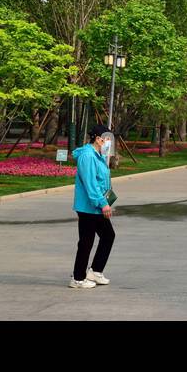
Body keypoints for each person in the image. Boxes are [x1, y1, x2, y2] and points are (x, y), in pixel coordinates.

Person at [71, 124, 115, 289]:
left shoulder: (99, 154)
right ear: (98, 139)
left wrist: (108, 201)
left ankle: (95, 271)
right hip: (88, 207)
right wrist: (103, 203)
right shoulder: (88, 156)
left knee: (108, 236)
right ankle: (78, 278)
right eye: (107, 139)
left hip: (96, 205)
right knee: (86, 241)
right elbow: (91, 184)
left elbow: (104, 181)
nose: (109, 142)